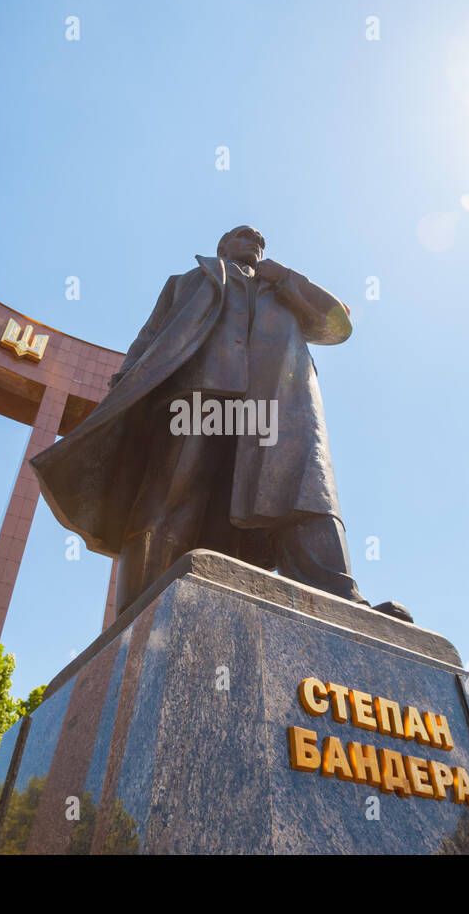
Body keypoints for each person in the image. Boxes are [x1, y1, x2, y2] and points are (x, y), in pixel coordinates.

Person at [30, 226, 411, 621]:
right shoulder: (187, 281)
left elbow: (337, 325)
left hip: (271, 401)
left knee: (302, 490)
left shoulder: (283, 287)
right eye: (245, 236)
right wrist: (123, 386)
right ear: (222, 245)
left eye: (261, 242)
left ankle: (338, 599)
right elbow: (148, 337)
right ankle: (139, 610)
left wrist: (282, 276)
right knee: (174, 490)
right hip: (199, 389)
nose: (256, 243)